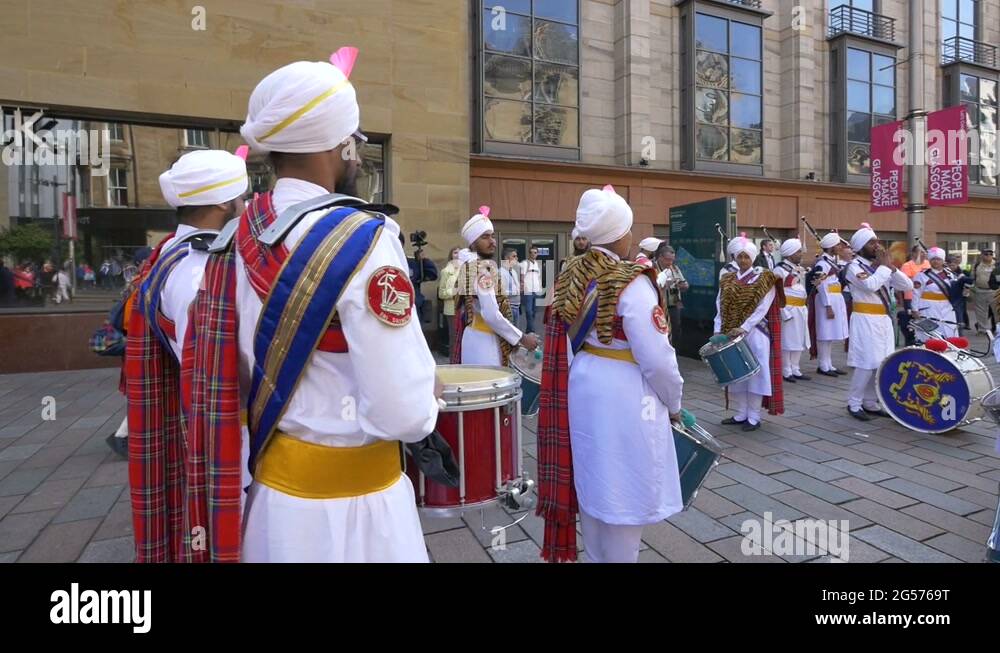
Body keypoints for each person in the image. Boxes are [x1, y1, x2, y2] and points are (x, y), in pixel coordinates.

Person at [187, 46, 441, 563]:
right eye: (357, 140)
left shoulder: (237, 236)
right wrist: (428, 390)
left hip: (272, 507)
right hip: (360, 517)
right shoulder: (366, 239)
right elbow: (405, 414)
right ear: (340, 147)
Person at [536, 184, 684, 563]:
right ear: (621, 234)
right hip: (624, 391)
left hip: (583, 383)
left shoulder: (568, 275)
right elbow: (657, 359)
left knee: (592, 473)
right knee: (623, 486)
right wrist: (674, 402)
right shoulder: (631, 281)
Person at [126, 148, 249, 563]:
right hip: (231, 437)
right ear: (222, 203)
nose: (246, 206)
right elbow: (222, 367)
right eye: (242, 198)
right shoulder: (199, 269)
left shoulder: (173, 252)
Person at [715, 234, 784, 431]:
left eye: (746, 257)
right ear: (735, 258)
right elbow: (720, 306)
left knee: (756, 372)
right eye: (740, 257)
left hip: (755, 332)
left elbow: (762, 308)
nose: (743, 260)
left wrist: (744, 327)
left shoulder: (764, 278)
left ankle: (754, 415)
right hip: (731, 333)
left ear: (752, 258)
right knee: (737, 373)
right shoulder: (727, 279)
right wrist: (717, 330)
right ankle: (741, 413)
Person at [845, 223, 913, 421]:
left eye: (877, 241)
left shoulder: (879, 268)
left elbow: (907, 285)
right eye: (871, 242)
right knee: (866, 362)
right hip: (864, 318)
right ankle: (854, 402)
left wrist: (891, 267)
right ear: (860, 247)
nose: (877, 246)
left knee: (880, 362)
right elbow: (870, 285)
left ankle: (870, 401)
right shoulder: (854, 267)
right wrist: (883, 267)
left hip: (883, 320)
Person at [452, 206, 537, 365]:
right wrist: (522, 338)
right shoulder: (482, 270)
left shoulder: (468, 265)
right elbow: (491, 314)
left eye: (492, 236)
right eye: (485, 237)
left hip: (473, 338)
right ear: (473, 242)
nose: (492, 242)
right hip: (484, 344)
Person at [809, 232, 849, 376]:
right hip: (827, 299)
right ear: (831, 247)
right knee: (824, 332)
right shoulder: (822, 264)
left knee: (830, 333)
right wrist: (827, 305)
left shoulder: (830, 262)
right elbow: (821, 285)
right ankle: (823, 365)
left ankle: (829, 364)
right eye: (837, 245)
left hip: (835, 297)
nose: (839, 247)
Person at [774, 238, 810, 382]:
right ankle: (786, 370)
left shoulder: (797, 268)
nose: (801, 254)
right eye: (798, 251)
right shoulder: (779, 269)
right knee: (788, 340)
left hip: (800, 308)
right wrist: (783, 312)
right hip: (788, 309)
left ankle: (796, 368)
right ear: (790, 254)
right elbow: (776, 292)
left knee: (799, 339)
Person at [912, 247, 959, 340]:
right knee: (929, 335)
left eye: (938, 259)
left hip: (947, 308)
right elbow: (916, 293)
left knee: (949, 332)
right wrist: (914, 309)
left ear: (943, 260)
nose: (936, 261)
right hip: (928, 308)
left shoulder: (950, 275)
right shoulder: (922, 275)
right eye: (933, 259)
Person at [401, 234, 438, 325]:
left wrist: (423, 260)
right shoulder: (383, 263)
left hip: (414, 307)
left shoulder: (412, 262)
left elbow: (432, 274)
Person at [654, 243, 688, 340]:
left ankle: (675, 352)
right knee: (660, 331)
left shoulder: (675, 268)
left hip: (675, 304)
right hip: (659, 306)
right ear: (660, 257)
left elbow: (685, 285)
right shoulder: (652, 268)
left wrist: (681, 285)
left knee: (676, 330)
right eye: (668, 260)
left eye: (672, 260)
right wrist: (663, 285)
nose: (670, 262)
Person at [898, 246, 930, 346]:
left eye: (924, 252)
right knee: (912, 321)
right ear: (913, 254)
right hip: (910, 297)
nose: (923, 254)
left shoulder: (928, 264)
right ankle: (910, 341)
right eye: (920, 252)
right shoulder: (907, 266)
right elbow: (904, 283)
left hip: (925, 298)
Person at [437, 246, 462, 356]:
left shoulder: (465, 271)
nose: (458, 255)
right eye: (455, 252)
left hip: (463, 309)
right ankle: (453, 363)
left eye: (460, 253)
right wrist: (454, 292)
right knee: (454, 338)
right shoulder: (446, 271)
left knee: (462, 338)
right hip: (451, 310)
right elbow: (441, 293)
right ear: (451, 255)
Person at [972, 249, 999, 333]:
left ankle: (998, 329)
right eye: (986, 254)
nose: (988, 256)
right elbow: (972, 277)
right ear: (982, 255)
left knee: (997, 311)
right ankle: (982, 330)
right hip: (980, 290)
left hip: (994, 291)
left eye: (990, 254)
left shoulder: (997, 265)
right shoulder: (977, 265)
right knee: (981, 311)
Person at [519, 245, 543, 333]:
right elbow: (522, 277)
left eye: (535, 252)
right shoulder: (524, 263)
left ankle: (529, 329)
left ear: (537, 254)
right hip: (528, 290)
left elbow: (539, 277)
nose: (533, 254)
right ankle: (531, 330)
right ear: (529, 253)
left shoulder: (538, 264)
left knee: (534, 311)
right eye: (531, 252)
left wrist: (540, 288)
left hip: (536, 290)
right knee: (528, 310)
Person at [946, 254, 973, 330]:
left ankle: (964, 325)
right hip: (947, 297)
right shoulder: (945, 273)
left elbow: (969, 280)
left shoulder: (961, 273)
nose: (951, 267)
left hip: (959, 297)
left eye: (953, 265)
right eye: (950, 265)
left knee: (961, 313)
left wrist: (967, 287)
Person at [500, 248, 521, 325]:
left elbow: (516, 287)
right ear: (506, 258)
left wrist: (519, 288)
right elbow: (502, 292)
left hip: (516, 307)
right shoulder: (501, 272)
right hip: (508, 308)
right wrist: (517, 291)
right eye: (514, 256)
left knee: (516, 332)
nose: (517, 258)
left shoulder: (513, 271)